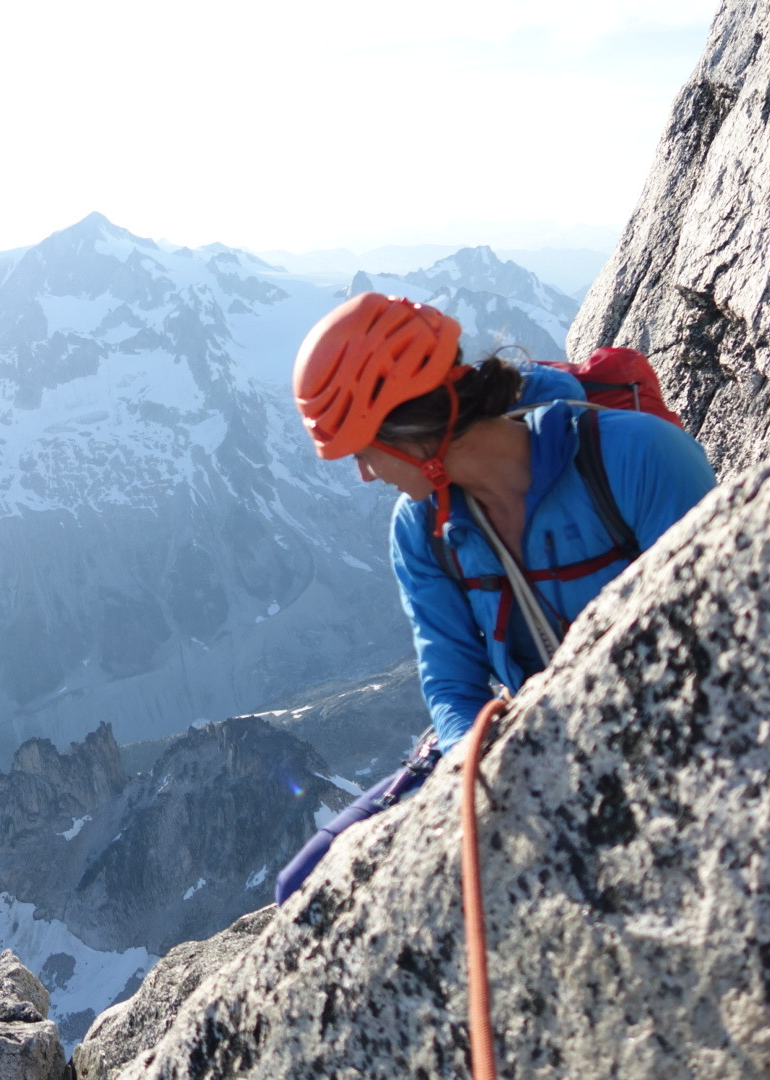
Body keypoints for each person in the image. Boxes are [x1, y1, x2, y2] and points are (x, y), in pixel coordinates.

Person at [273, 292, 715, 904]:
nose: (365, 475)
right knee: (302, 891)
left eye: (364, 452)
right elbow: (453, 688)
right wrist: (476, 773)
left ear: (407, 437)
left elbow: (713, 630)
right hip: (525, 736)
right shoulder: (421, 531)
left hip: (656, 725)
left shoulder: (636, 457)